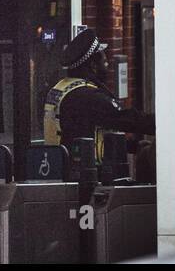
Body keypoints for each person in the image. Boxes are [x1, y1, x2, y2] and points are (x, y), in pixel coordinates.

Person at [43, 26, 155, 166]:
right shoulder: (89, 97)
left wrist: (132, 146)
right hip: (83, 177)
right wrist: (163, 124)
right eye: (104, 61)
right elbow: (126, 119)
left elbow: (83, 132)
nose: (107, 66)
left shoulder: (61, 88)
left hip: (58, 168)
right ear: (93, 66)